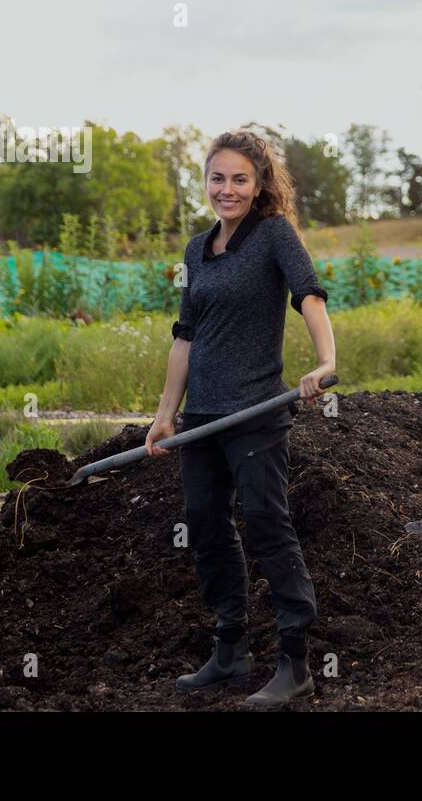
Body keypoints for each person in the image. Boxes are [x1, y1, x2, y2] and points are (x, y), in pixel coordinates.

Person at [145, 128, 336, 709]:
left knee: (267, 524)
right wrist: (164, 415)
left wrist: (326, 360)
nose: (226, 189)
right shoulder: (196, 249)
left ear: (259, 185)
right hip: (202, 418)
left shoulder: (275, 235)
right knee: (205, 526)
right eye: (217, 178)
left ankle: (295, 662)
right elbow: (186, 337)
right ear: (204, 182)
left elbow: (309, 295)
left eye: (239, 179)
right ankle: (230, 649)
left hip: (256, 412)